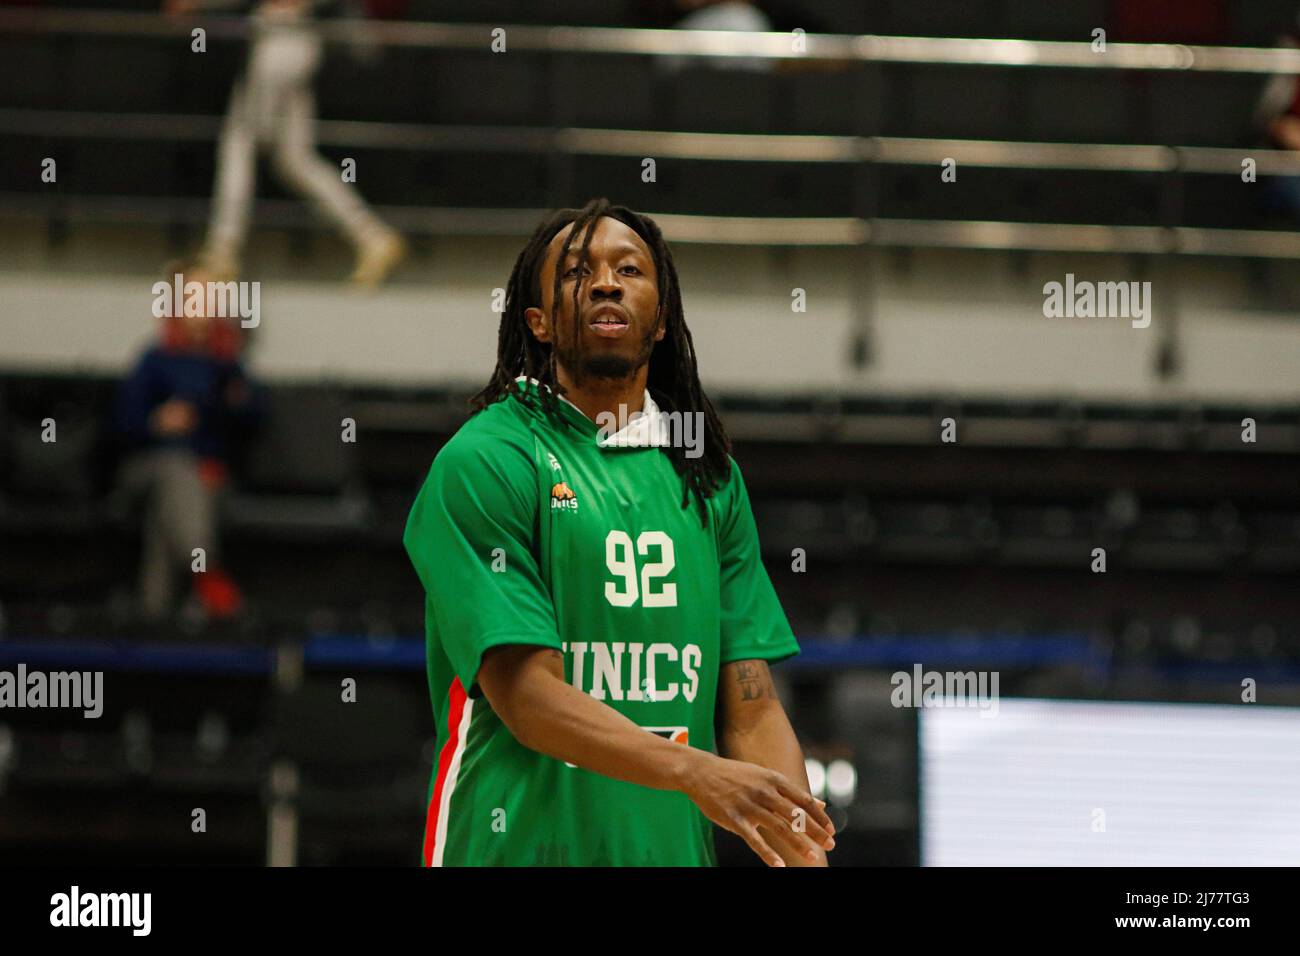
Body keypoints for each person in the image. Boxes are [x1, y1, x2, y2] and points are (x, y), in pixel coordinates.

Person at [403, 198, 834, 866]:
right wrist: (696, 771)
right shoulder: (486, 460)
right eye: (578, 272)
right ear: (538, 322)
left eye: (629, 269)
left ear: (660, 320)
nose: (606, 281)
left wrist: (799, 846)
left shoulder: (707, 476)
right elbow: (527, 697)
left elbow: (750, 708)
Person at [164, 0, 406, 286]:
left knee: (240, 144)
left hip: (280, 43)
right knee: (295, 160)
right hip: (294, 41)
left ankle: (222, 251)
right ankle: (371, 235)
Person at [115, 261, 263, 622]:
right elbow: (120, 425)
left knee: (169, 512)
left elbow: (255, 416)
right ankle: (209, 580)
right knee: (176, 474)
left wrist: (236, 404)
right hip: (150, 469)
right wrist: (157, 421)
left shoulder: (226, 362)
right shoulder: (155, 359)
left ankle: (157, 613)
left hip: (205, 479)